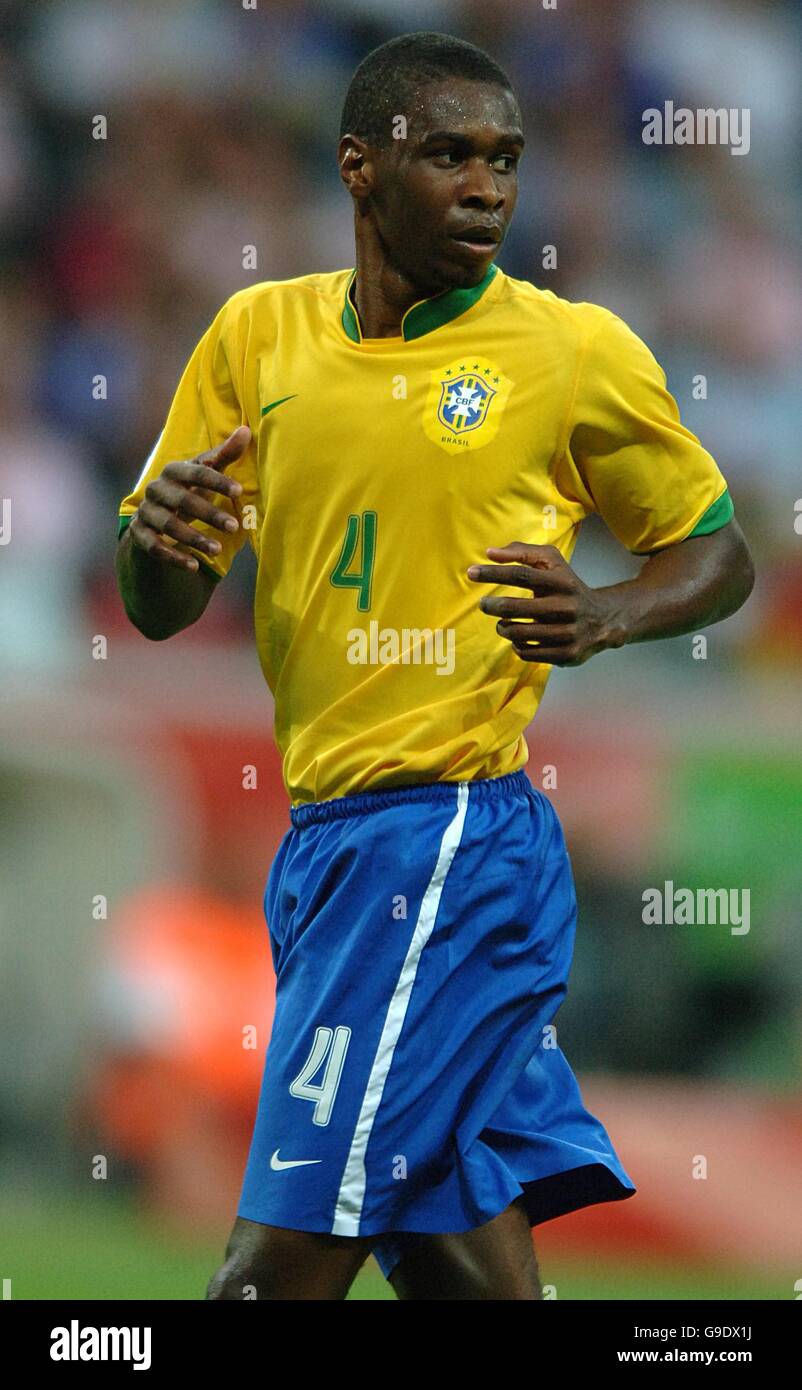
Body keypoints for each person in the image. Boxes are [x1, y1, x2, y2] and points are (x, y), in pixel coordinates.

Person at [115, 32, 755, 1301]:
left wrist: (609, 614)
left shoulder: (566, 349)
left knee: (278, 1262)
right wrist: (156, 533)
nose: (487, 188)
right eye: (449, 154)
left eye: (504, 160)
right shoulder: (258, 337)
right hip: (325, 850)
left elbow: (718, 551)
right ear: (361, 168)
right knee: (458, 1258)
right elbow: (157, 602)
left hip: (452, 843)